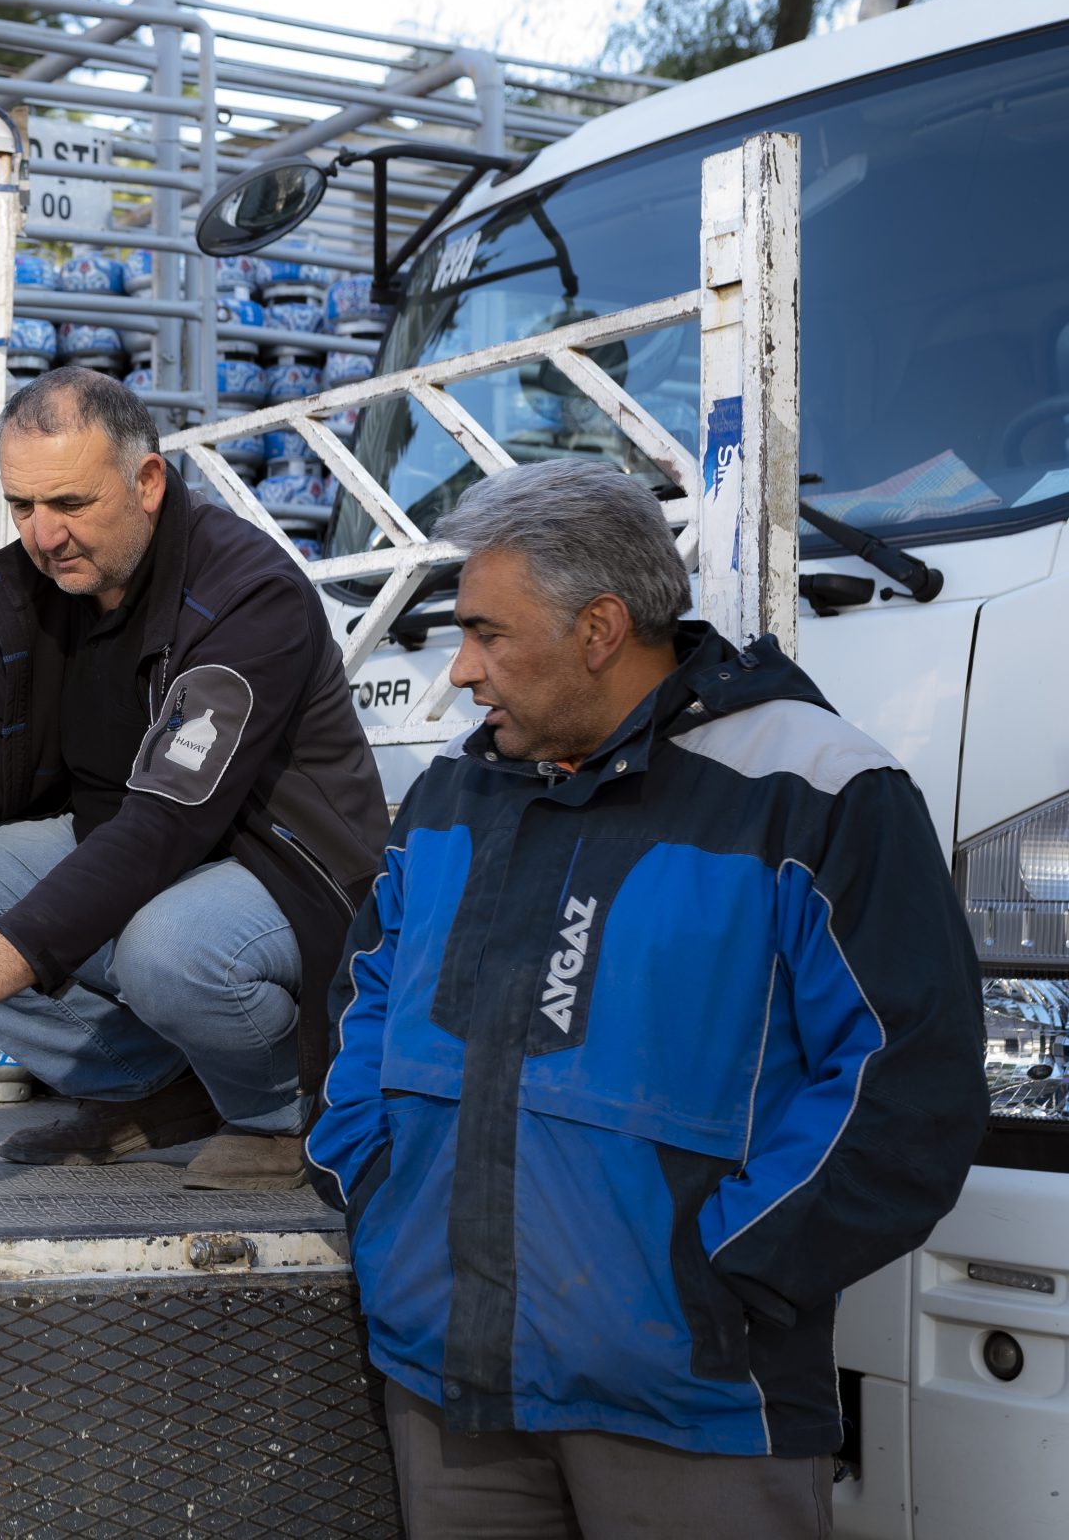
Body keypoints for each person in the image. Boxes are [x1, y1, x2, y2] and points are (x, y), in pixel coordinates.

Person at [305, 459, 986, 1539]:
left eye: (486, 633)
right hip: (451, 1392)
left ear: (600, 628)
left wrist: (723, 1279)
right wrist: (378, 1193)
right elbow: (362, 1008)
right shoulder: (450, 791)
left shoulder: (814, 793)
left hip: (693, 1406)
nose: (461, 673)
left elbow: (907, 1084)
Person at [0, 367, 388, 1188]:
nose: (43, 536)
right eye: (22, 506)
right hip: (128, 849)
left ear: (147, 482)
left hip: (280, 869)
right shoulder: (46, 584)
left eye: (70, 505)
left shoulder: (248, 597)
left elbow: (167, 823)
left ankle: (280, 1111)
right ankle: (156, 1088)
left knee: (167, 948)